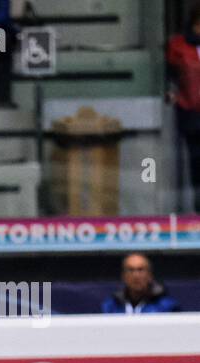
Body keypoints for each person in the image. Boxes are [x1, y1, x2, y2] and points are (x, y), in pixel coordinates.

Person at [166, 3, 200, 213]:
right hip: (192, 113)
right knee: (196, 165)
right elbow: (169, 74)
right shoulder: (178, 45)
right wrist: (172, 93)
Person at [101, 253, 180, 314]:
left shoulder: (167, 307)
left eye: (141, 270)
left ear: (150, 275)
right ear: (123, 276)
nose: (136, 275)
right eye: (130, 270)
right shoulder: (111, 306)